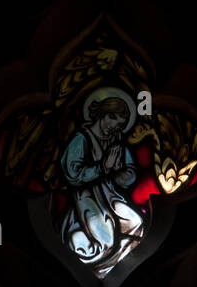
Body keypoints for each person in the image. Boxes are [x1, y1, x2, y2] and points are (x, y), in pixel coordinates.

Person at [60, 91, 145, 276]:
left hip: (110, 195)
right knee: (103, 239)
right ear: (105, 115)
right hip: (85, 198)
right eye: (116, 123)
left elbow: (130, 169)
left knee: (136, 222)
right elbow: (73, 174)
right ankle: (98, 270)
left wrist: (118, 174)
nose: (117, 129)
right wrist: (102, 168)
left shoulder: (115, 140)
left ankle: (115, 271)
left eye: (121, 126)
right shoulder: (81, 139)